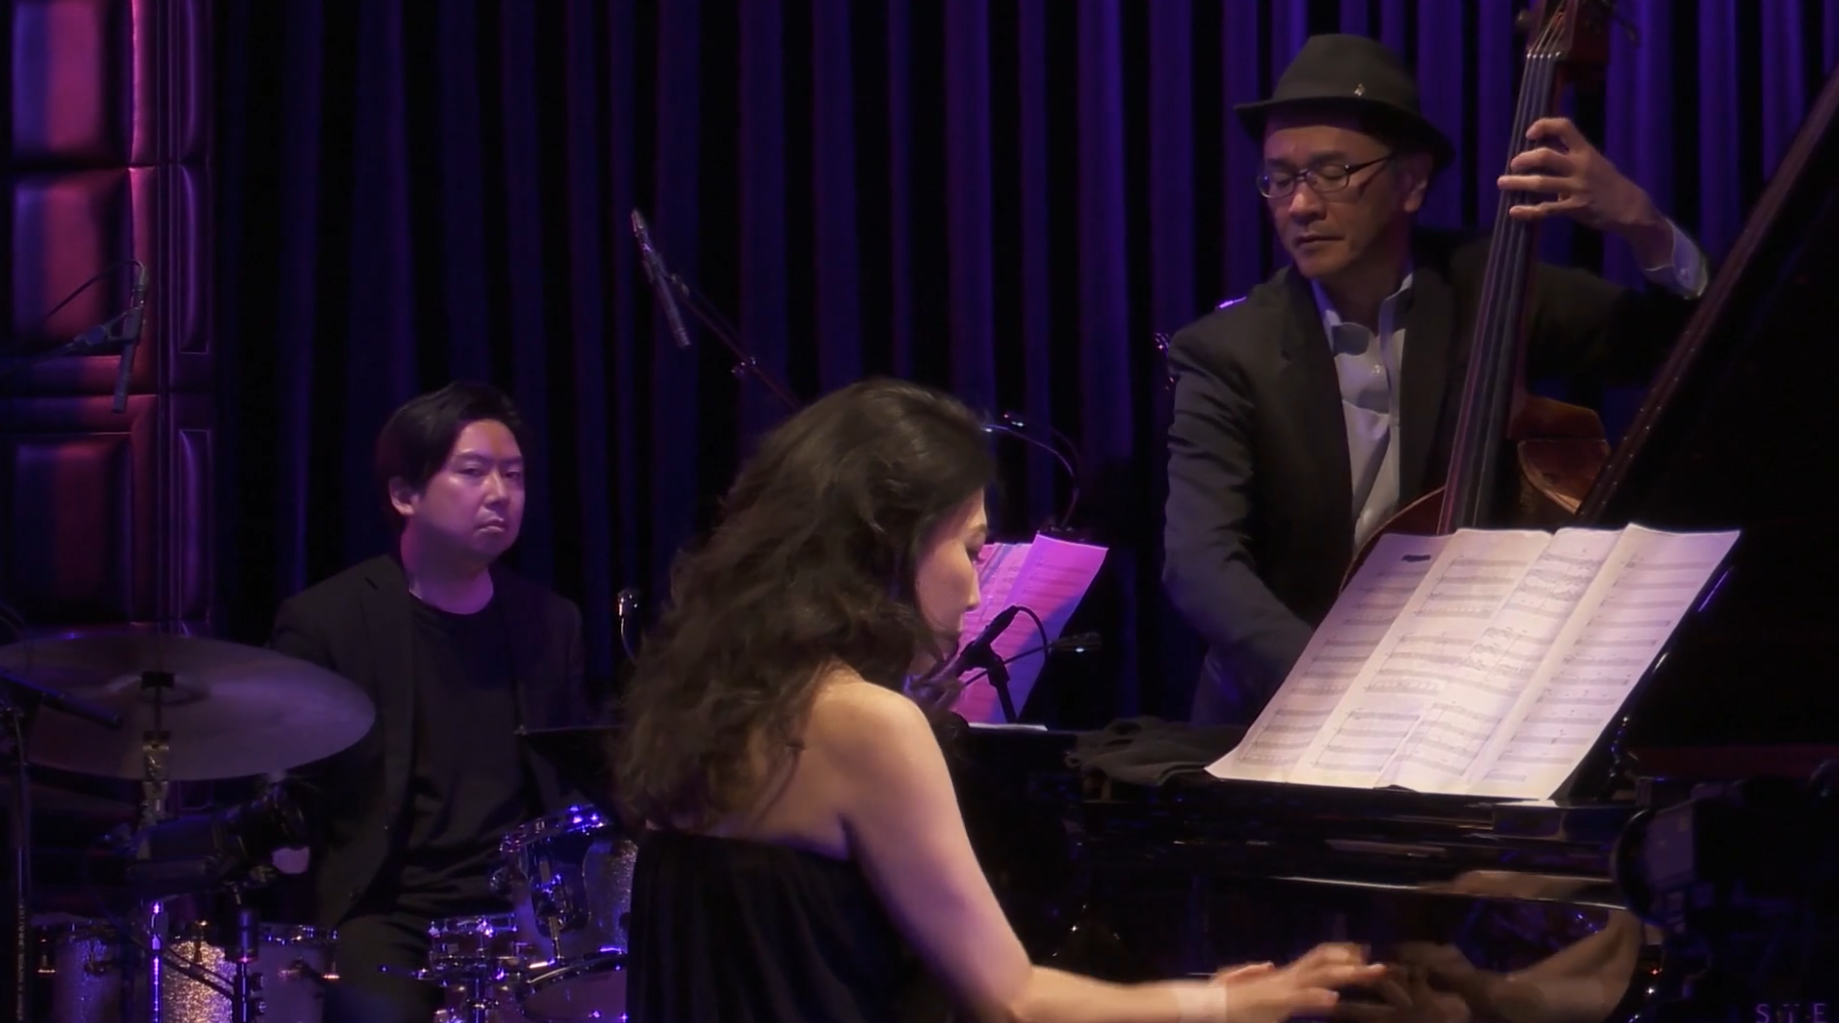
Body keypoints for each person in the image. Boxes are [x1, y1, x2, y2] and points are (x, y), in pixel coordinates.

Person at [613, 376, 1385, 1023]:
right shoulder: (865, 721)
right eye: (972, 547)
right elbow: (1010, 998)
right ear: (889, 540)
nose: (979, 587)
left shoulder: (695, 694)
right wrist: (1221, 1001)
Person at [1162, 34, 1710, 725]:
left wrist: (1643, 226)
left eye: (1331, 172)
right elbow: (1200, 565)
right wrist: (1338, 693)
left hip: (1467, 709)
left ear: (1412, 181)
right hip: (1277, 711)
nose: (1298, 205)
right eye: (1278, 177)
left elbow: (1685, 354)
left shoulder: (1487, 288)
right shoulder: (1222, 351)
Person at [269, 381, 592, 1023]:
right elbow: (287, 795)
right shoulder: (328, 621)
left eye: (515, 475)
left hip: (524, 911)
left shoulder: (550, 623)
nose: (500, 494)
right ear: (404, 494)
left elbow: (573, 787)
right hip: (388, 912)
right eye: (473, 473)